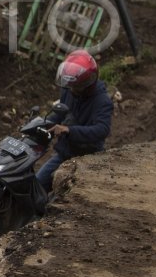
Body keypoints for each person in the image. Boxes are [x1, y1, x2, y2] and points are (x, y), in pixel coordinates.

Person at [35, 49, 113, 194]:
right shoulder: (69, 90)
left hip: (87, 158)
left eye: (76, 87)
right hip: (64, 154)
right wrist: (40, 124)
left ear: (88, 83)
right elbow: (59, 115)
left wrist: (69, 130)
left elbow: (102, 129)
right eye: (71, 86)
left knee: (63, 197)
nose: (72, 90)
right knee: (36, 186)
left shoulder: (102, 101)